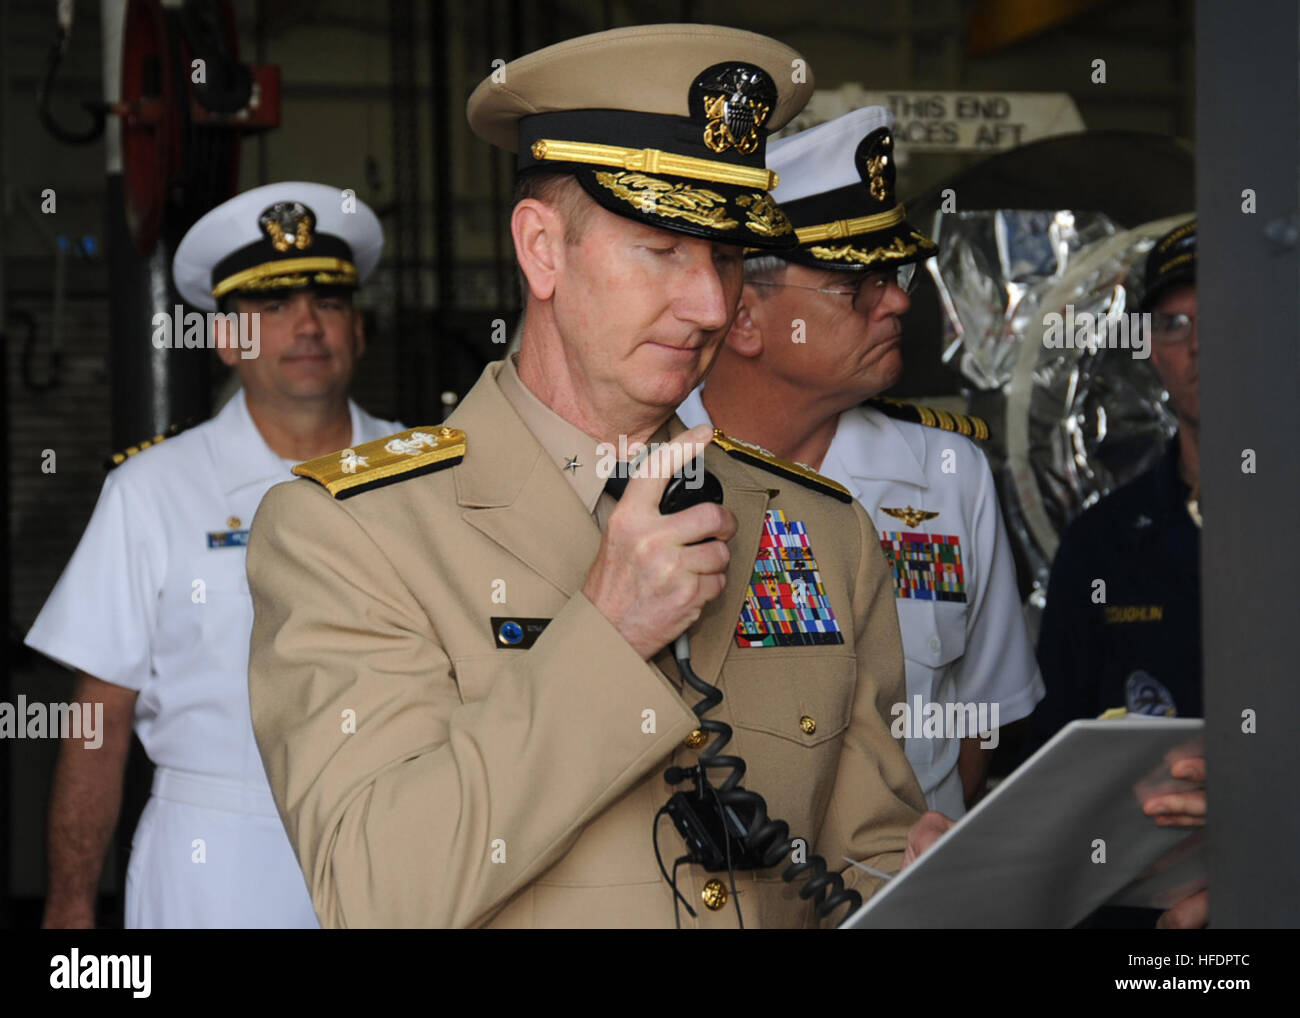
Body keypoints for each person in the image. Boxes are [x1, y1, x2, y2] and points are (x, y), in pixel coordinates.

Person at [246, 25, 950, 930]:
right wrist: (608, 634)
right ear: (541, 249)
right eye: (662, 249)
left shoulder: (825, 532)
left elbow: (864, 857)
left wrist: (950, 880)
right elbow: (376, 895)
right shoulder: (350, 535)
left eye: (729, 258)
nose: (708, 305)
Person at [27, 181, 402, 928]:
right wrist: (70, 902)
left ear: (358, 329)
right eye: (272, 307)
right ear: (228, 339)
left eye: (328, 302)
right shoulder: (153, 490)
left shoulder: (422, 473)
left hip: (394, 841)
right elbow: (99, 716)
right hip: (214, 858)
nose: (307, 326)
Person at [675, 106, 1043, 817]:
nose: (899, 300)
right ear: (743, 316)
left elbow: (976, 716)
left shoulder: (947, 471)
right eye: (857, 286)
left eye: (895, 272)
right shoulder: (639, 475)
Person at [1033, 220, 1200, 739]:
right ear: (1151, 347)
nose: (1199, 345)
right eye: (1175, 324)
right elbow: (1052, 766)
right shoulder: (1100, 547)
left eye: (1229, 315)